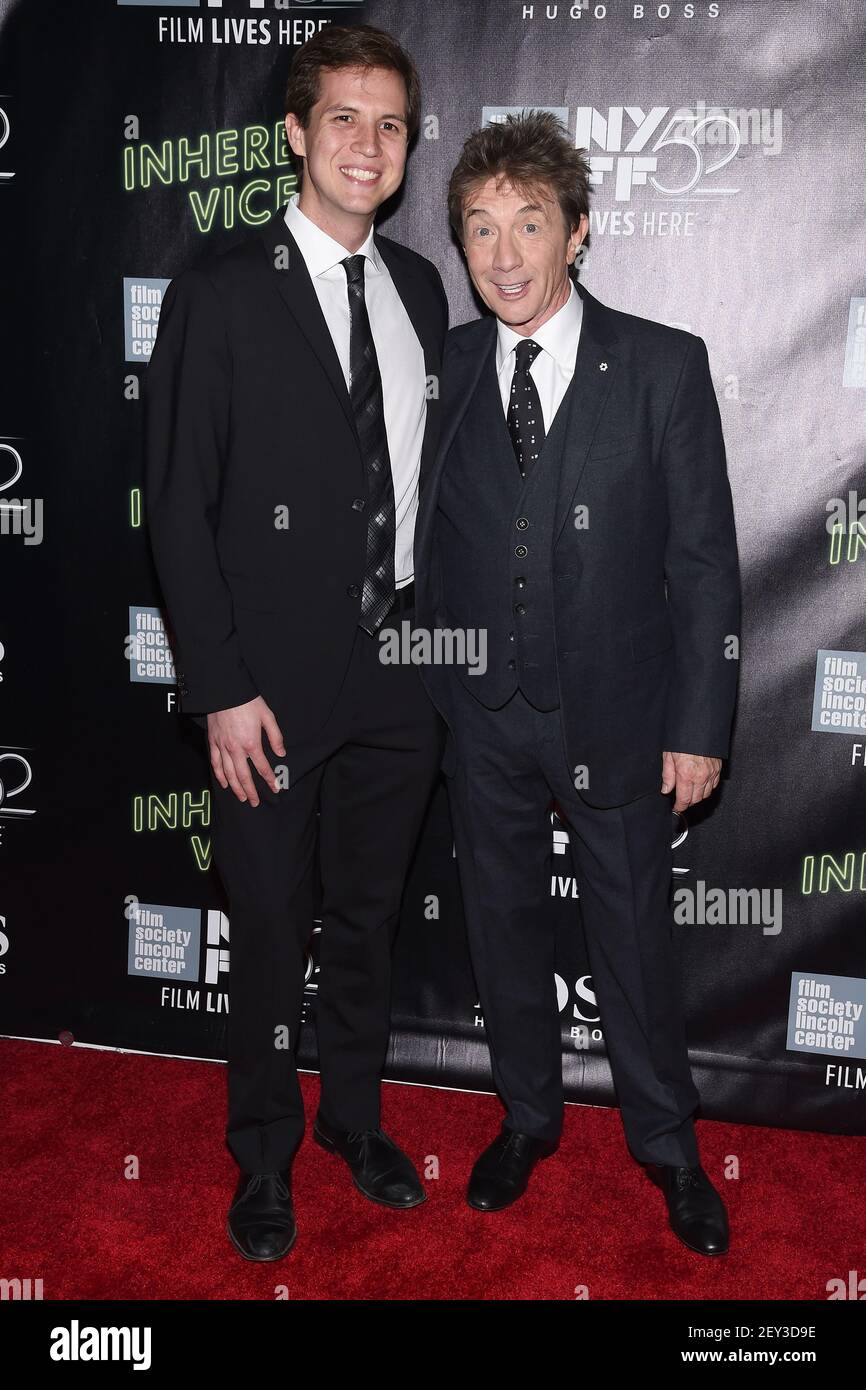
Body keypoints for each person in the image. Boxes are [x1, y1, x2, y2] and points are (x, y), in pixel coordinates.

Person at [144, 25, 447, 1262]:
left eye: (389, 124)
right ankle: (263, 1154)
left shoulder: (421, 289)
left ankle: (354, 1120)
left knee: (367, 918)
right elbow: (175, 506)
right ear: (293, 134)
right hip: (264, 684)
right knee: (270, 928)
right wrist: (218, 686)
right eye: (342, 119)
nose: (366, 144)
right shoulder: (218, 291)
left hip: (402, 671)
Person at [414, 111, 741, 1256]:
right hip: (480, 714)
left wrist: (698, 722)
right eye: (478, 227)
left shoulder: (661, 364)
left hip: (618, 711)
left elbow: (701, 564)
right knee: (500, 926)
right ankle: (525, 1118)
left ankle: (668, 1146)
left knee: (632, 936)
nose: (502, 255)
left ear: (578, 231)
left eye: (527, 224)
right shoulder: (446, 368)